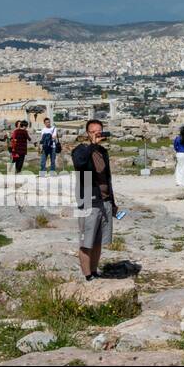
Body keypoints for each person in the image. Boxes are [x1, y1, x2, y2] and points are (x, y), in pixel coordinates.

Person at [72, 120, 117, 281]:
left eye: (99, 131)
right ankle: (87, 275)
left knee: (98, 240)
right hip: (88, 201)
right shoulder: (80, 150)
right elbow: (79, 163)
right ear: (87, 133)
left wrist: (112, 201)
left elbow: (107, 177)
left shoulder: (103, 151)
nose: (97, 134)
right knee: (86, 241)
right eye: (93, 131)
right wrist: (91, 145)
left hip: (104, 200)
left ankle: (94, 271)